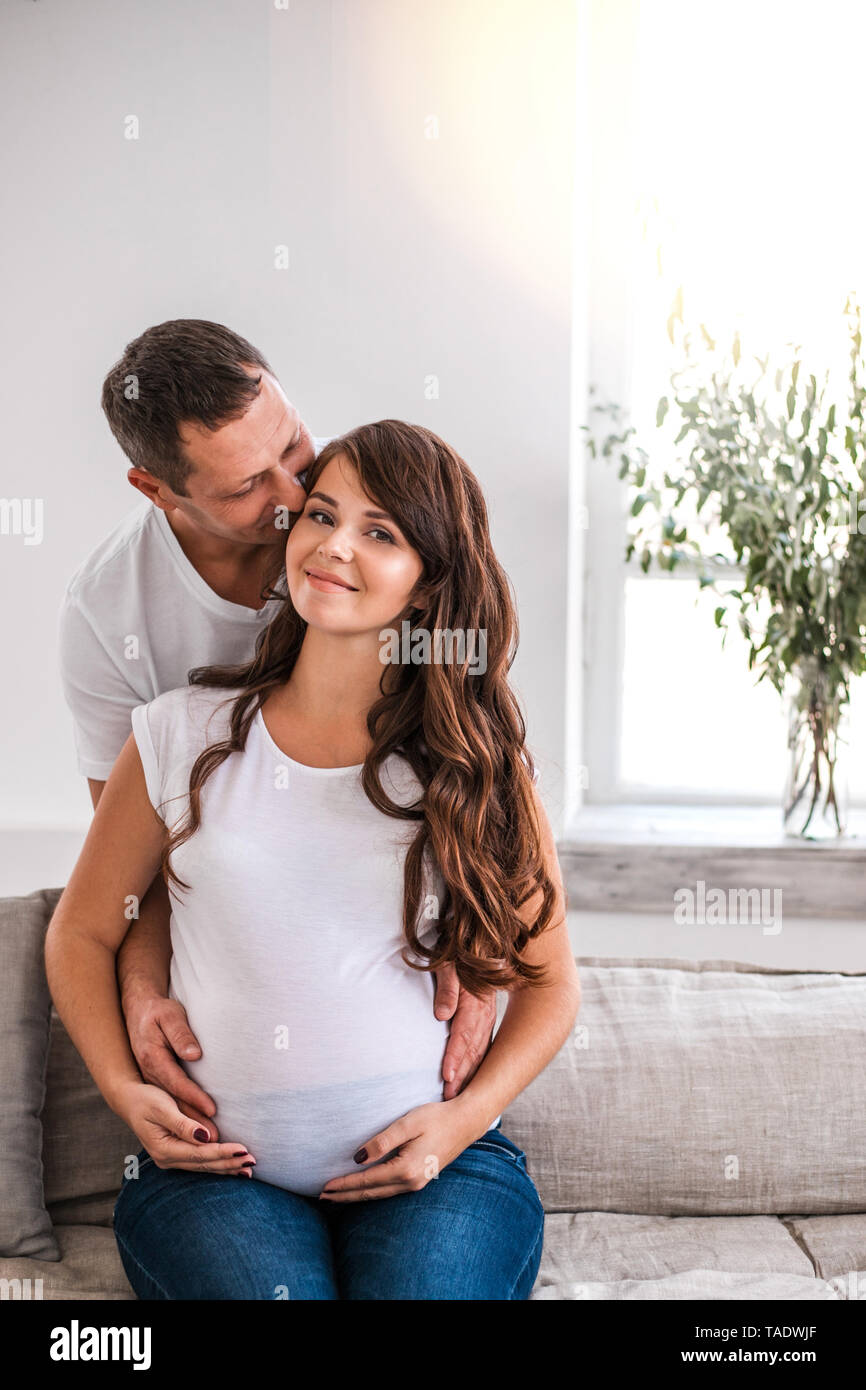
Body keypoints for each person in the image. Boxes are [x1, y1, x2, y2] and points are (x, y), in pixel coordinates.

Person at [45, 420, 580, 1299]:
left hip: (436, 1177)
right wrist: (118, 1086)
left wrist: (461, 1123)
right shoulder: (182, 734)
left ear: (426, 585)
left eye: (381, 533)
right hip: (216, 1179)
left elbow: (553, 984)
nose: (333, 546)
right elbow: (83, 932)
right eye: (321, 515)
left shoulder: (477, 768)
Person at [58, 321, 497, 1140]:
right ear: (158, 491)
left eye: (292, 445)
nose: (296, 500)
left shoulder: (345, 498)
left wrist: (481, 947)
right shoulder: (107, 614)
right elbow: (130, 868)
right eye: (246, 489)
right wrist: (142, 980)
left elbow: (462, 713)